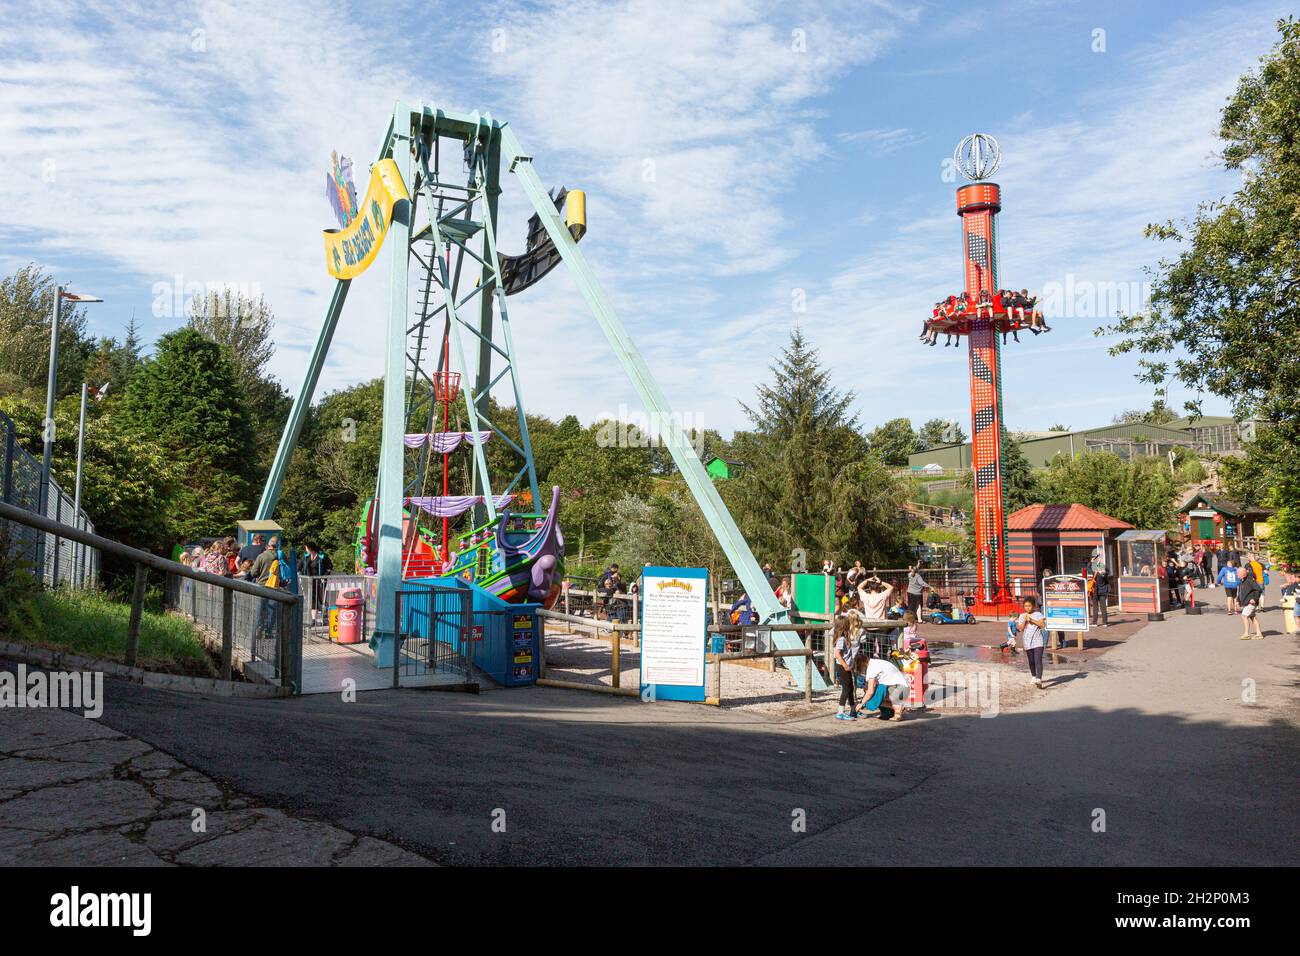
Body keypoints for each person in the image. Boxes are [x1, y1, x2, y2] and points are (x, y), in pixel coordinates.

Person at [859, 655, 910, 721]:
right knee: (875, 698)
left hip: (898, 687)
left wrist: (861, 704)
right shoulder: (876, 662)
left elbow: (870, 691)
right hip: (903, 686)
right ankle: (897, 709)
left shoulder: (871, 668)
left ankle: (898, 713)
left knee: (873, 698)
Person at [1014, 596, 1048, 689]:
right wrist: (1025, 620)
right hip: (1027, 641)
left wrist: (1032, 620)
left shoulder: (1038, 614)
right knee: (1031, 661)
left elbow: (1042, 625)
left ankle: (1039, 679)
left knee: (1038, 660)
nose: (1027, 608)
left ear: (1033, 606)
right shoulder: (1022, 616)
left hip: (1038, 641)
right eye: (1025, 606)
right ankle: (1033, 676)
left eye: (1029, 606)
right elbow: (1020, 629)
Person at [831, 618, 858, 721]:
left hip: (846, 665)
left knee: (850, 688)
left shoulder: (843, 637)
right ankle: (840, 712)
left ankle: (853, 710)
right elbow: (837, 654)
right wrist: (845, 665)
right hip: (843, 666)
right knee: (846, 689)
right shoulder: (841, 639)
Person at [1236, 566, 1264, 640]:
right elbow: (1241, 592)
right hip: (1246, 602)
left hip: (1251, 603)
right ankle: (1259, 634)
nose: (1237, 574)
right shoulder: (1242, 581)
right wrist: (1238, 601)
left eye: (1238, 573)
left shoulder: (1250, 580)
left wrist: (1254, 598)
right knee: (1252, 617)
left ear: (1243, 573)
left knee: (1244, 616)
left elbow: (1258, 589)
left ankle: (1246, 634)